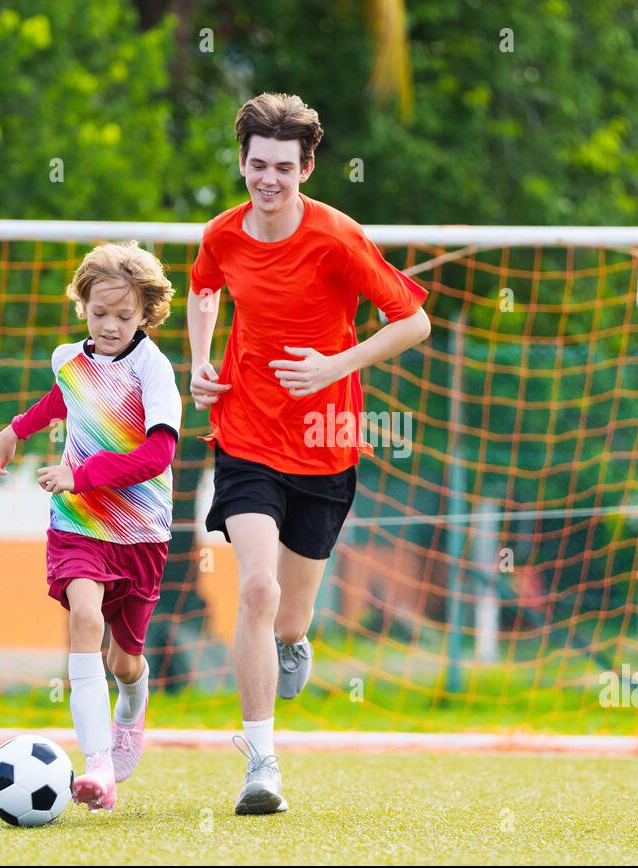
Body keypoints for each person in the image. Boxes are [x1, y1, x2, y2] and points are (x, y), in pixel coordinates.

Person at [187, 92, 432, 814]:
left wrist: (335, 366)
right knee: (255, 591)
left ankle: (294, 645)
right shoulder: (221, 235)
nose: (268, 180)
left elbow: (412, 321)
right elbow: (204, 289)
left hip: (326, 448)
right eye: (257, 165)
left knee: (288, 619)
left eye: (283, 169)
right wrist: (202, 361)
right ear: (241, 162)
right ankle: (261, 763)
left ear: (307, 166)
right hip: (245, 438)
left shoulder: (336, 237)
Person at [0, 241, 182, 813]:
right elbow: (62, 399)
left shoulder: (154, 369)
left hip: (142, 531)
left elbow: (158, 456)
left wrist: (82, 474)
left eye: (124, 316)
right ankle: (98, 766)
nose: (110, 325)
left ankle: (132, 699)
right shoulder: (68, 358)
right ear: (82, 307)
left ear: (145, 313)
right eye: (99, 313)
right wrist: (14, 430)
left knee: (124, 661)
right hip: (76, 525)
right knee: (84, 614)